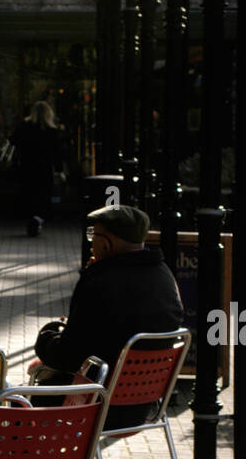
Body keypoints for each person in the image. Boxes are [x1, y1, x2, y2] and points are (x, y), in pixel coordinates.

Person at [33, 205, 184, 429]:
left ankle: (27, 458)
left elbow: (67, 356)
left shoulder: (99, 282)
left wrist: (46, 336)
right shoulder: (163, 275)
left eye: (93, 235)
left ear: (108, 242)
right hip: (142, 406)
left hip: (94, 404)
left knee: (25, 392)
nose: (91, 241)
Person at [10, 100, 64, 236]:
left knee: (29, 193)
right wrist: (60, 170)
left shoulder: (24, 126)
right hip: (44, 169)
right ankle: (38, 218)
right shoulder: (52, 131)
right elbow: (56, 152)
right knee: (43, 195)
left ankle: (31, 217)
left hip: (27, 167)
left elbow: (13, 140)